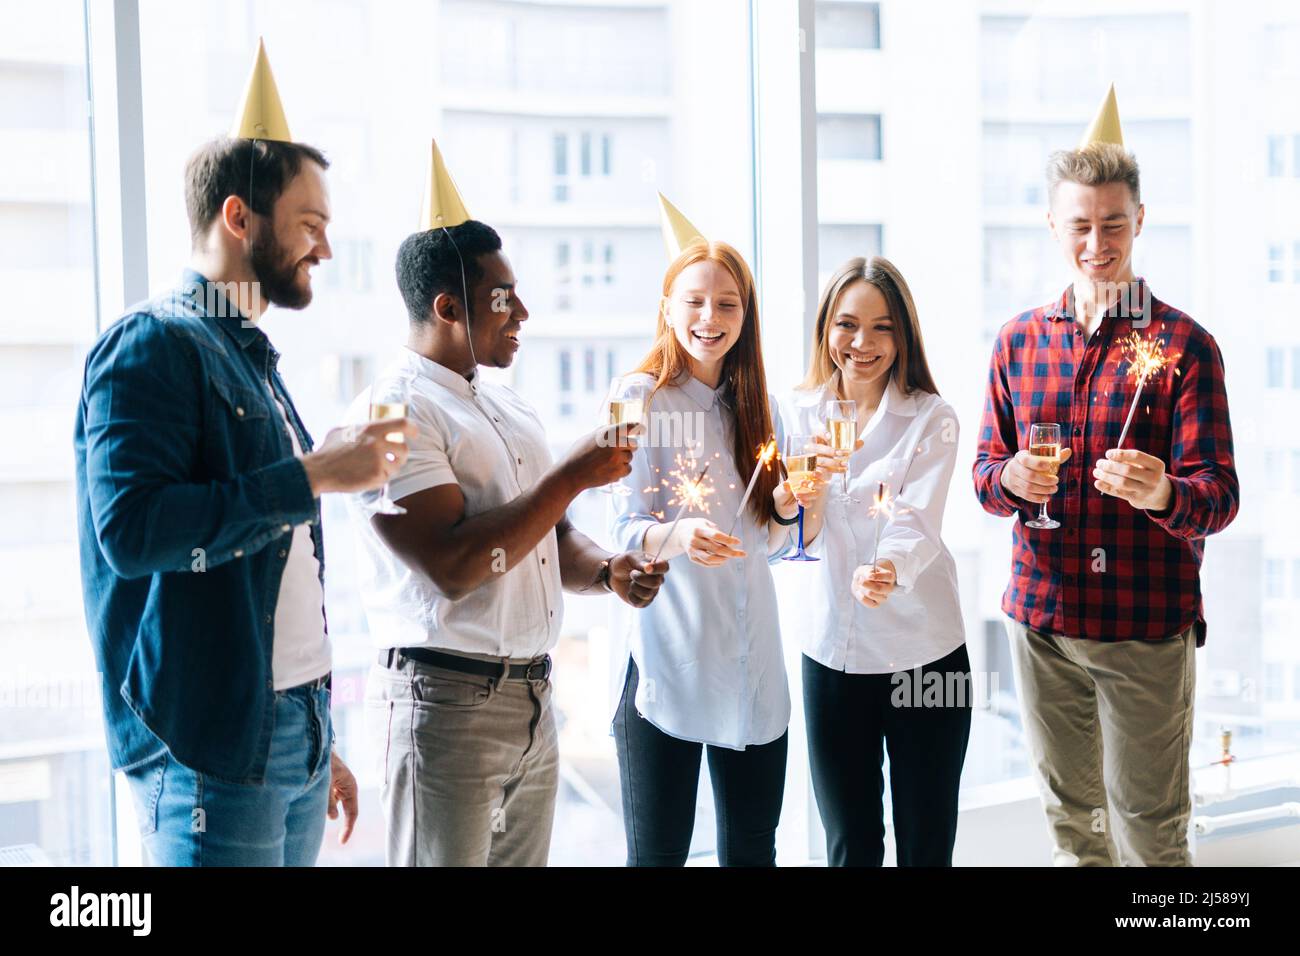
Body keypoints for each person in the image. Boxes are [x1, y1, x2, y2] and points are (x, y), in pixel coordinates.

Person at [74, 42, 407, 865]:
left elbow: (281, 573)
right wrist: (312, 476)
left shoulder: (253, 358)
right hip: (206, 746)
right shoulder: (150, 344)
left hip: (286, 731)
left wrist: (316, 735)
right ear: (238, 217)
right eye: (310, 225)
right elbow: (134, 532)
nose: (324, 250)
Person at [347, 142, 668, 867]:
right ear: (448, 306)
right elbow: (457, 563)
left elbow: (545, 537)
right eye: (504, 297)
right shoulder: (394, 413)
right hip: (445, 709)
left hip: (531, 702)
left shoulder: (507, 406)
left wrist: (608, 571)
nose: (523, 310)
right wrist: (575, 472)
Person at [973, 85, 1239, 866]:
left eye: (1113, 224)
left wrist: (1162, 491)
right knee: (1072, 829)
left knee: (1151, 832)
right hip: (1042, 619)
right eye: (1080, 225)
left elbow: (1217, 497)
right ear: (1054, 226)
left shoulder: (1186, 347)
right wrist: (1013, 480)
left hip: (1144, 627)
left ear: (1140, 222)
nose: (1097, 242)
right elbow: (986, 479)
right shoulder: (1017, 342)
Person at [609, 196, 796, 866]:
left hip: (752, 665)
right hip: (668, 663)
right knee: (658, 854)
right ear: (667, 308)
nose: (709, 319)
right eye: (693, 301)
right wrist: (679, 534)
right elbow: (616, 528)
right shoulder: (634, 397)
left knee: (752, 848)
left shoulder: (760, 408)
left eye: (727, 304)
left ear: (746, 316)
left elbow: (771, 543)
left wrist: (785, 507)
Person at [778, 255, 969, 866]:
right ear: (825, 330)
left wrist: (888, 568)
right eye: (847, 324)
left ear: (903, 335)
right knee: (850, 846)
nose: (862, 343)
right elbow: (777, 526)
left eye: (883, 327)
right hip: (832, 650)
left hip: (925, 653)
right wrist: (790, 501)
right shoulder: (794, 414)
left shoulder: (932, 418)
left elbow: (916, 518)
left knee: (926, 844)